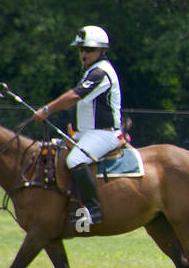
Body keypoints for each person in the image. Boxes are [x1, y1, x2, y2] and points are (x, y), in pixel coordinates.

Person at [33, 25, 123, 227]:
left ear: (102, 51)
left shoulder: (101, 72)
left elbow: (75, 96)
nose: (83, 54)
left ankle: (93, 211)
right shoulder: (90, 71)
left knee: (75, 159)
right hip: (86, 134)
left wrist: (47, 109)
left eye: (89, 50)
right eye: (81, 49)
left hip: (104, 135)